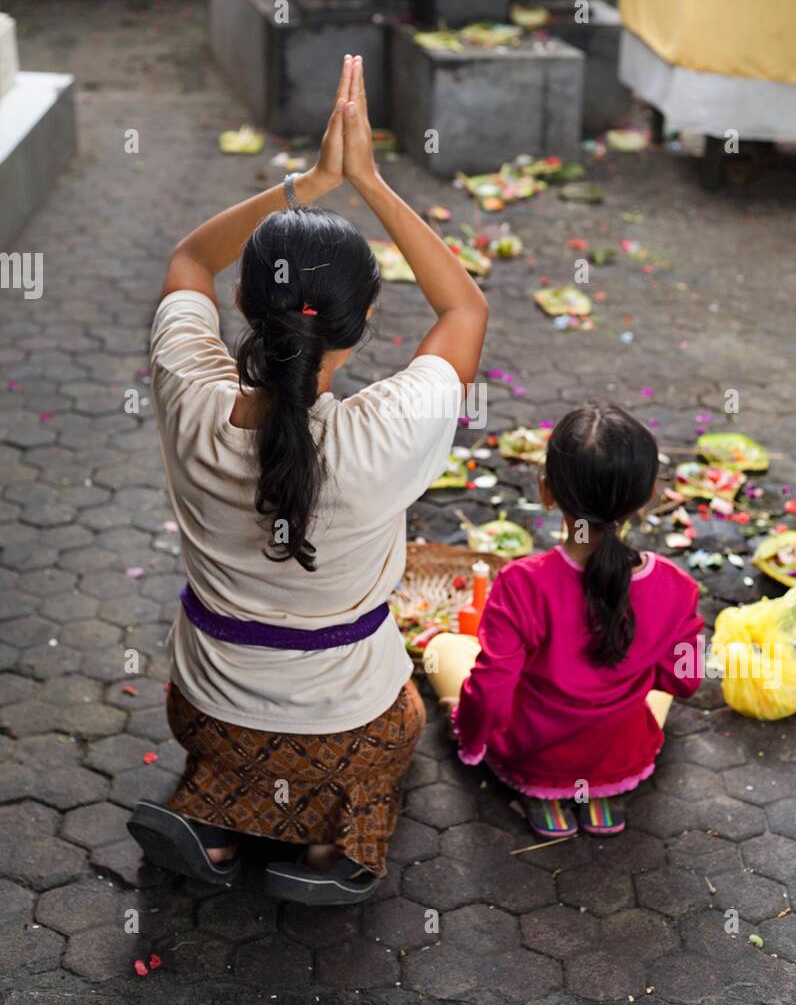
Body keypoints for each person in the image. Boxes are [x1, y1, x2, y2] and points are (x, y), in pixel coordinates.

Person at [128, 56, 488, 904]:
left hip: (206, 711)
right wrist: (366, 181)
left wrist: (311, 183)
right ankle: (332, 849)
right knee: (394, 719)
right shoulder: (384, 435)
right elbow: (465, 310)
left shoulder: (193, 403)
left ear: (250, 311)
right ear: (363, 326)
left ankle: (215, 827)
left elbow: (187, 260)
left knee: (235, 743)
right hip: (347, 729)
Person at [430, 402, 704, 839]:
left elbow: (492, 689)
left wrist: (466, 731)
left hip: (532, 757)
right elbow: (685, 681)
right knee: (652, 697)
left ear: (545, 491)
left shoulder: (522, 583)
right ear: (651, 494)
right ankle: (600, 797)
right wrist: (626, 661)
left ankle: (545, 798)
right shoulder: (677, 586)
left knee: (445, 648)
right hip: (622, 754)